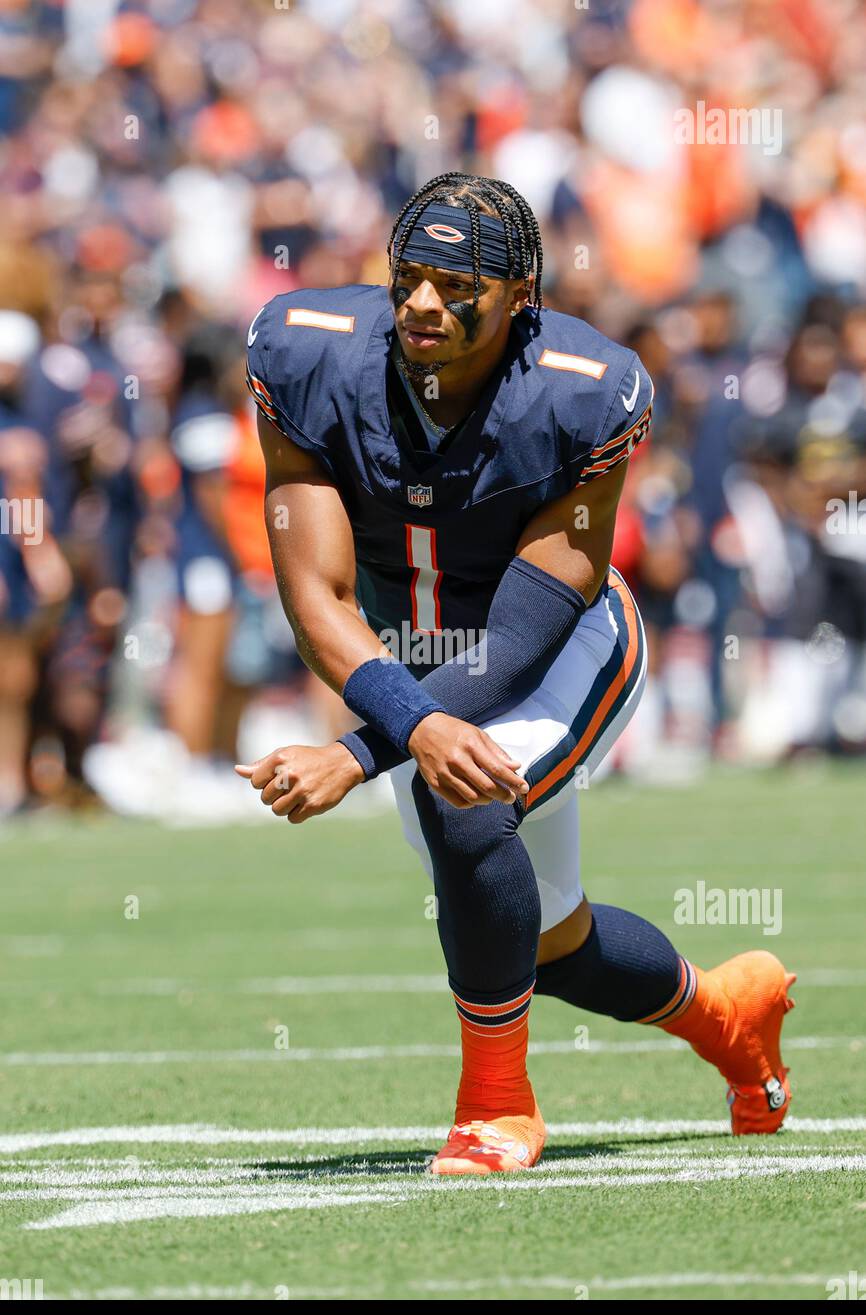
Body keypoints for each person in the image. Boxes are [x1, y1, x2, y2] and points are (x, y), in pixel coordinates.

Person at [237, 173, 796, 1174]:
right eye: (407, 277)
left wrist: (365, 749)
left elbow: (520, 637)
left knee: (465, 810)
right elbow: (316, 598)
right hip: (407, 668)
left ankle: (495, 1108)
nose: (420, 303)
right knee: (539, 939)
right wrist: (402, 726)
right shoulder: (304, 351)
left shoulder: (582, 388)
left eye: (455, 287)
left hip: (562, 647)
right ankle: (726, 1015)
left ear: (519, 297)